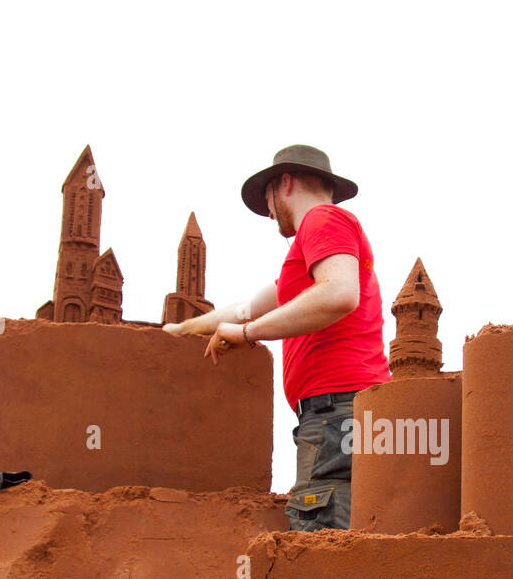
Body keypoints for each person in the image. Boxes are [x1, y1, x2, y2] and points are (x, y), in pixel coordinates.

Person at [164, 144, 390, 531]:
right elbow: (245, 309)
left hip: (338, 414)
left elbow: (339, 293)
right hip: (338, 416)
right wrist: (183, 329)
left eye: (267, 200)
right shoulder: (314, 248)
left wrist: (249, 335)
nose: (268, 212)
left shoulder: (324, 220)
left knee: (321, 546)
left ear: (284, 183)